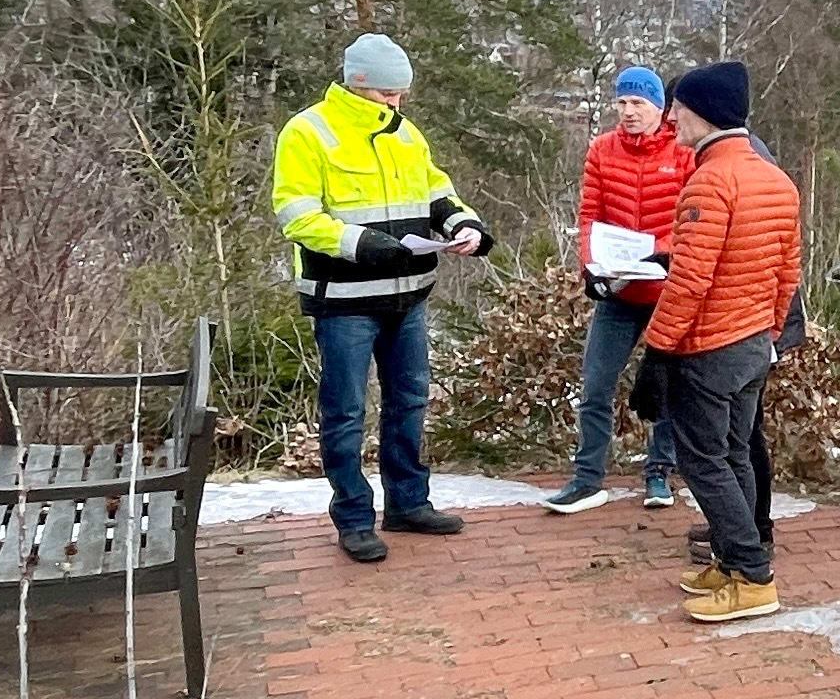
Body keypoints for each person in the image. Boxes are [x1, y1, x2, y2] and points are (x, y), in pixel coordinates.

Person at [272, 31, 492, 566]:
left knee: (409, 402)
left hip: (408, 296)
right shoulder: (307, 132)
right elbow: (296, 216)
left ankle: (408, 503)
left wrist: (464, 225)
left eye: (401, 95)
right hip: (344, 301)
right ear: (358, 86)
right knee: (345, 413)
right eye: (387, 94)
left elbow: (437, 190)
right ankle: (353, 518)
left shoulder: (405, 133)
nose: (396, 103)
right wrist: (364, 246)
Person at [638, 60, 804, 622]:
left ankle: (754, 579)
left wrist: (657, 353)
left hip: (709, 347)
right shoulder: (773, 178)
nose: (671, 118)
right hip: (754, 342)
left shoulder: (710, 180)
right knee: (734, 454)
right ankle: (736, 561)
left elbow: (689, 282)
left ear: (702, 112)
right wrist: (770, 330)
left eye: (678, 107)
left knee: (705, 462)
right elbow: (788, 271)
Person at [545, 65, 688, 515]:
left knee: (665, 387)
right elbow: (590, 213)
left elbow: (693, 220)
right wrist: (591, 266)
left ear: (659, 107)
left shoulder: (683, 152)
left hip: (666, 289)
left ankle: (659, 473)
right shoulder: (603, 150)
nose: (628, 111)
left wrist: (660, 254)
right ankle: (587, 479)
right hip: (619, 291)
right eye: (622, 102)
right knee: (595, 386)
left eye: (638, 103)